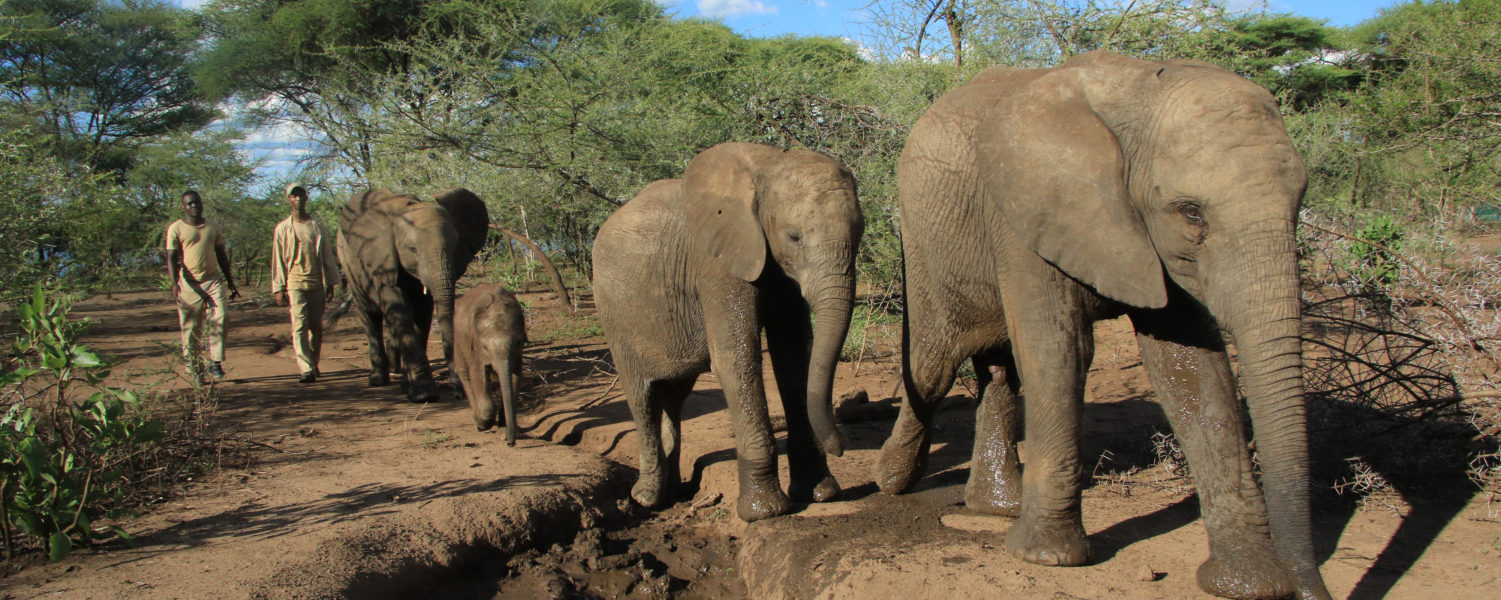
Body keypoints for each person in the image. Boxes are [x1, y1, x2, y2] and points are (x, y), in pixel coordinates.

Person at [271, 183, 342, 383]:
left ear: (307, 198)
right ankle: (306, 367)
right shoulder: (283, 228)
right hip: (294, 283)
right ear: (289, 200)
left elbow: (327, 254)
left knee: (316, 327)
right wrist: (279, 287)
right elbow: (277, 260)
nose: (298, 198)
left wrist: (331, 282)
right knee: (299, 324)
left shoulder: (316, 225)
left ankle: (313, 361)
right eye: (294, 196)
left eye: (301, 195)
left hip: (316, 282)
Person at [166, 190, 240, 380]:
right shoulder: (176, 228)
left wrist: (230, 281)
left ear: (202, 204)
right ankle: (195, 369)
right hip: (189, 283)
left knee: (221, 316)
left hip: (213, 280)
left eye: (197, 203)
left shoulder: (212, 226)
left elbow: (221, 254)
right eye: (190, 204)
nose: (194, 206)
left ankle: (215, 362)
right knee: (191, 328)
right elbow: (172, 257)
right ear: (183, 207)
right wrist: (174, 283)